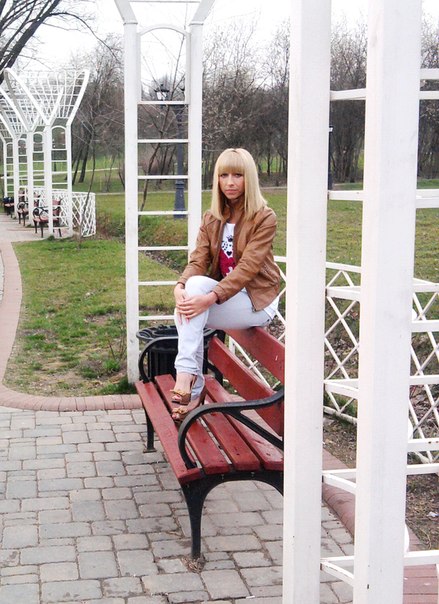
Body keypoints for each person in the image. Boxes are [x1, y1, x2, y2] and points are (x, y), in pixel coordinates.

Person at [171, 147, 281, 422]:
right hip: (227, 298)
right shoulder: (212, 218)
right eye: (224, 175)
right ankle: (189, 379)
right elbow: (199, 260)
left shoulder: (264, 217)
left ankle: (188, 380)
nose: (230, 182)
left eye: (237, 175)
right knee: (189, 298)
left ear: (249, 178)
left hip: (257, 301)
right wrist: (180, 286)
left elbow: (248, 268)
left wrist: (209, 298)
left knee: (191, 308)